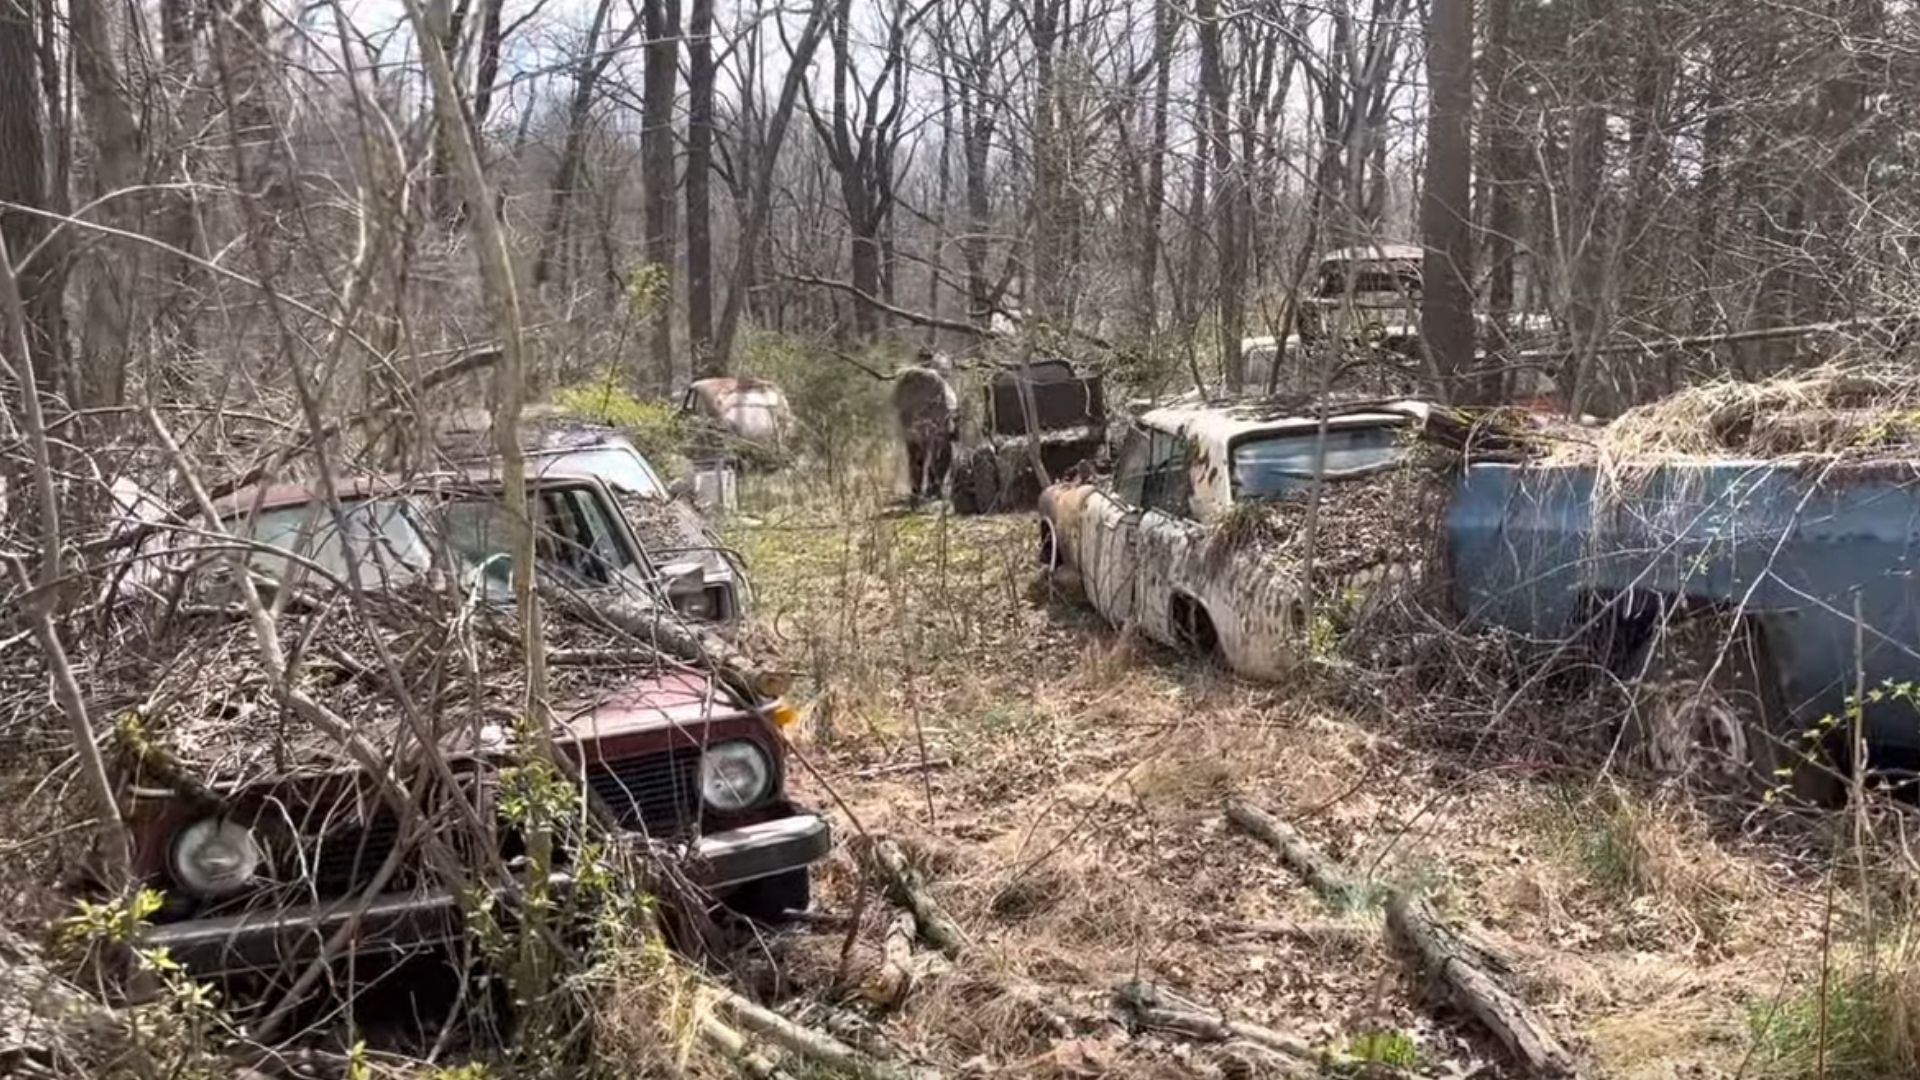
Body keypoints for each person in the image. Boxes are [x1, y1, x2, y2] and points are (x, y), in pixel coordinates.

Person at [890, 349, 958, 502]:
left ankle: (916, 491)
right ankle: (934, 489)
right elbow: (949, 403)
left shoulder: (905, 378)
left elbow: (895, 402)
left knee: (915, 458)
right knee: (938, 456)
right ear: (931, 361)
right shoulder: (935, 378)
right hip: (932, 426)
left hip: (911, 427)